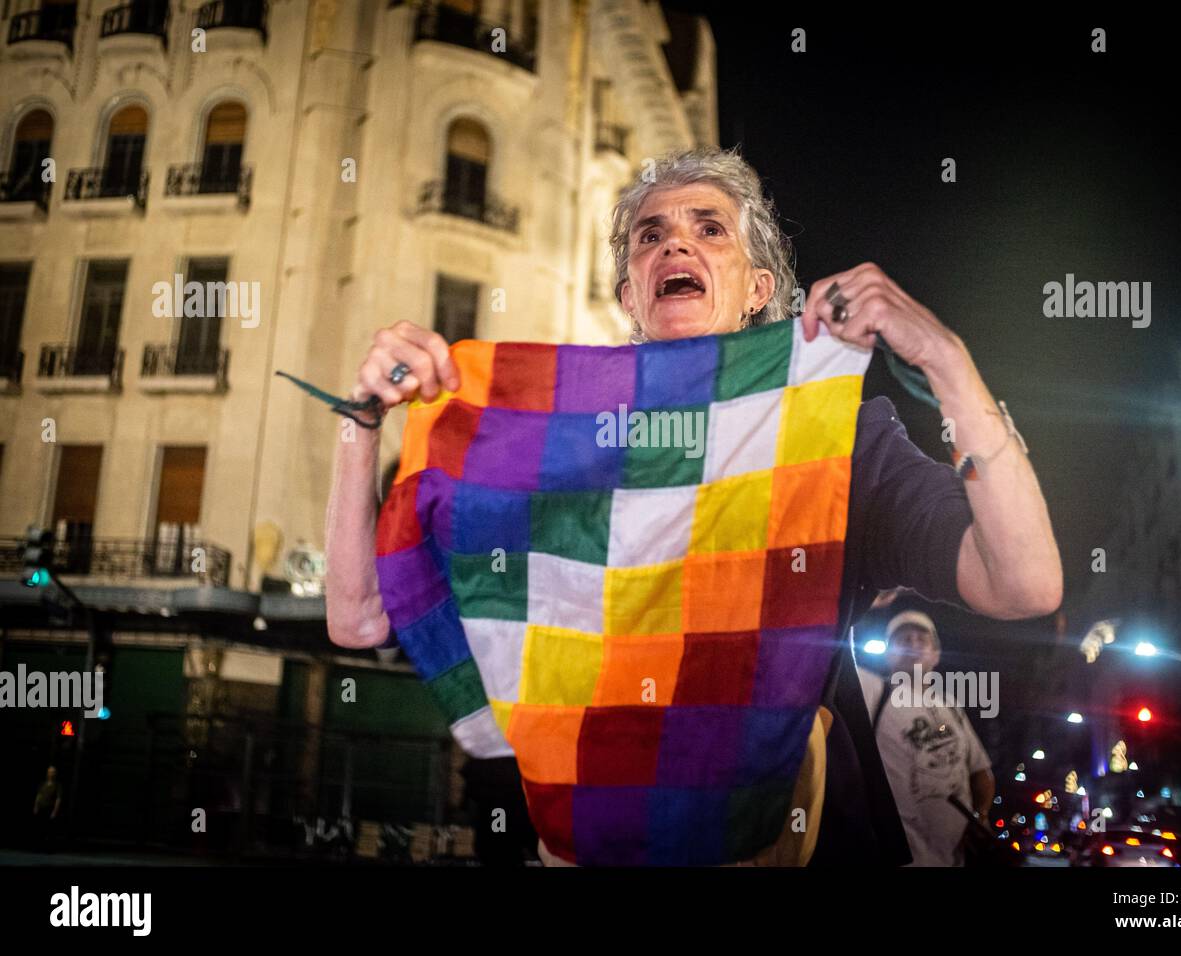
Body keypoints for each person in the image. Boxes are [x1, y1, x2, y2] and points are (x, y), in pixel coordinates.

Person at [324, 145, 1062, 865]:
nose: (676, 242)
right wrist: (361, 422)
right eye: (651, 235)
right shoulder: (560, 454)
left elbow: (1023, 582)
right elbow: (359, 618)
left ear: (758, 289)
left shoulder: (832, 443)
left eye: (710, 228)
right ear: (630, 297)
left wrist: (946, 362)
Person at [858, 611, 995, 866]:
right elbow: (833, 651)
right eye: (903, 640)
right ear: (888, 654)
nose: (913, 645)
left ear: (936, 655)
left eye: (922, 640)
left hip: (953, 859)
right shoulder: (873, 692)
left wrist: (981, 816)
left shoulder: (951, 706)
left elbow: (981, 772)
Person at [31, 765, 62, 853]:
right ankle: (37, 847)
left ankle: (47, 849)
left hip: (49, 809)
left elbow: (58, 799)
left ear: (55, 774)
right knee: (39, 829)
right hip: (41, 808)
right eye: (50, 772)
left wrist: (54, 811)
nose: (51, 773)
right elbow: (39, 795)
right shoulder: (43, 784)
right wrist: (35, 806)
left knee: (48, 830)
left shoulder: (57, 785)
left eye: (53, 772)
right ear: (47, 773)